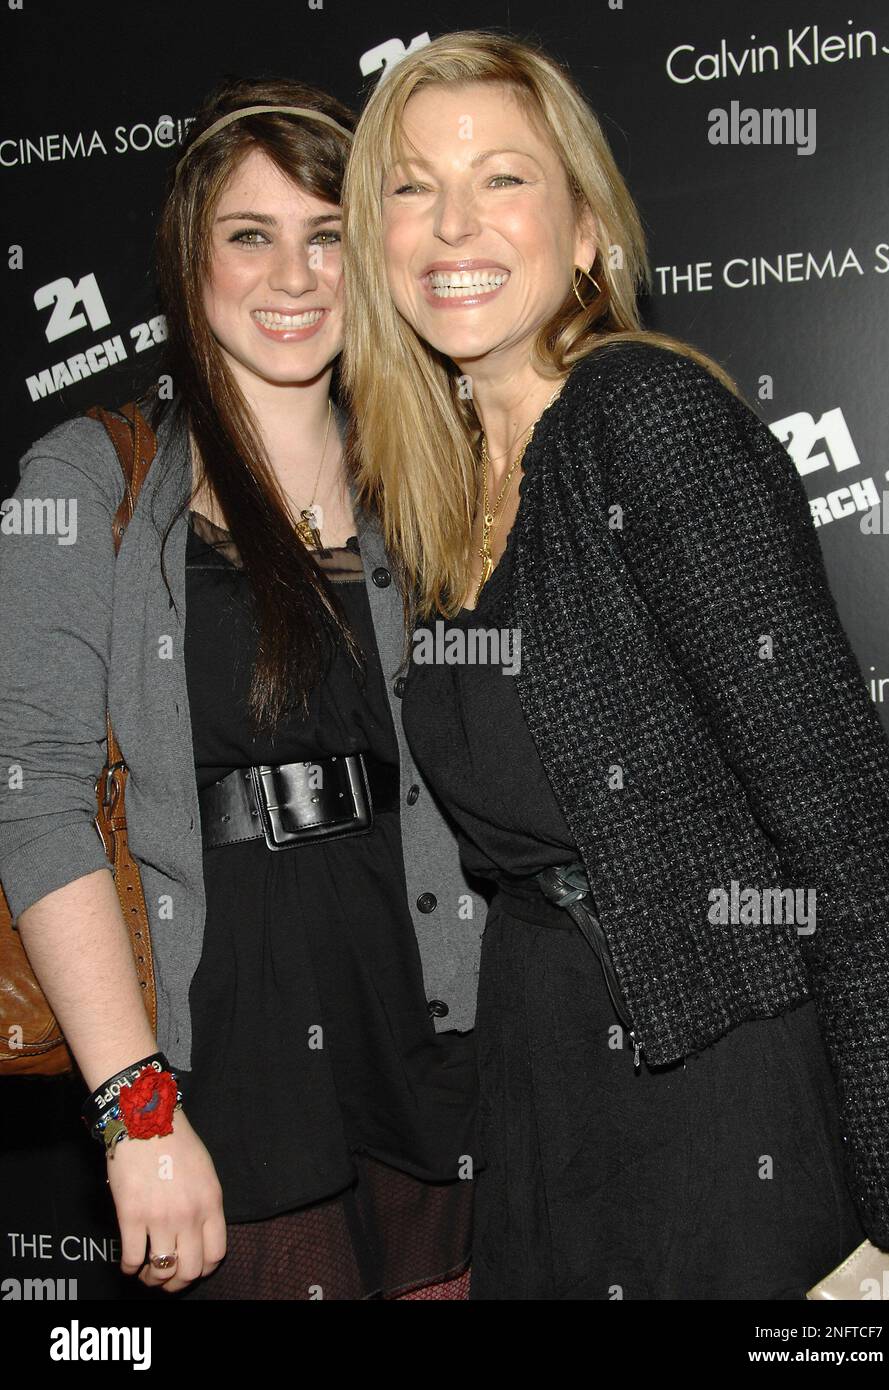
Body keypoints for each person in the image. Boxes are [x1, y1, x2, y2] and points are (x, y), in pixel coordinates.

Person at [339, 30, 889, 1299]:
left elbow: (855, 837)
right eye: (410, 186)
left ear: (589, 232)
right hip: (550, 1077)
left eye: (502, 178)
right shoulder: (441, 494)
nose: (453, 224)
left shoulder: (643, 422)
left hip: (720, 1088)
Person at [0, 77, 486, 1300]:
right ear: (189, 256)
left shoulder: (432, 476)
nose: (295, 276)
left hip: (440, 1029)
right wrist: (137, 1113)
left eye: (328, 235)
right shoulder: (90, 478)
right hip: (228, 1056)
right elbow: (34, 798)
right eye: (250, 236)